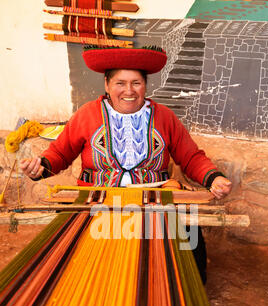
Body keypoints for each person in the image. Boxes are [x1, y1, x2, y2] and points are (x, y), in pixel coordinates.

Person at [20, 45, 232, 283]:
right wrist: (40, 166)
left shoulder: (164, 117)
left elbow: (191, 156)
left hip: (155, 196)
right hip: (96, 197)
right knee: (65, 240)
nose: (128, 91)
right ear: (107, 85)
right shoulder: (87, 115)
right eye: (120, 83)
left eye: (136, 83)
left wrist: (214, 178)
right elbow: (60, 153)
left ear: (145, 85)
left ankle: (181, 294)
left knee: (187, 233)